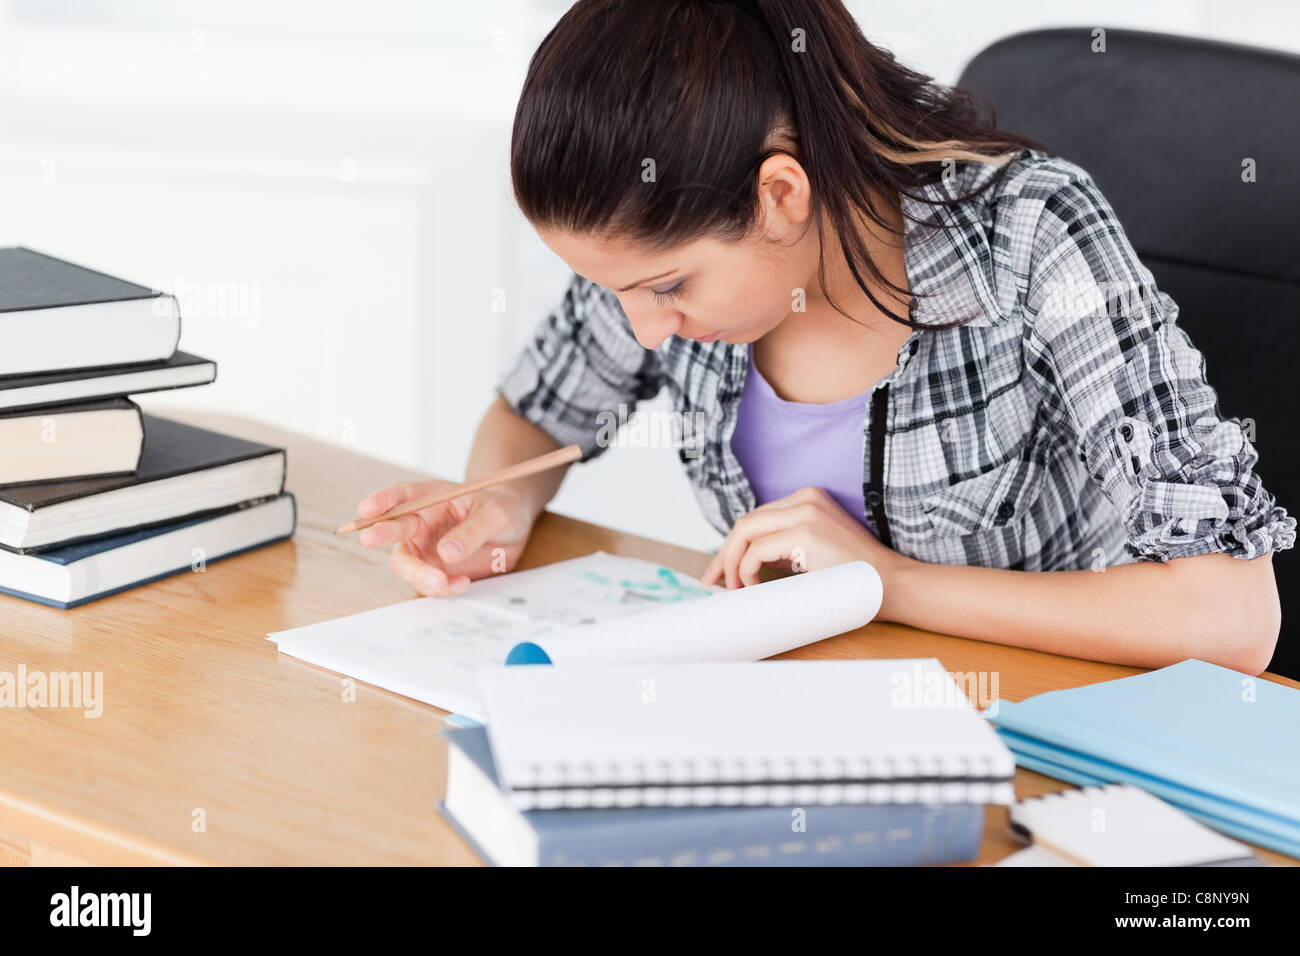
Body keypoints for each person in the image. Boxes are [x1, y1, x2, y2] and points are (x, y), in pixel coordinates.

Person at [353, 0, 1292, 673]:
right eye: (613, 289)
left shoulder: (1031, 236)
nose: (643, 325)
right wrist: (499, 515)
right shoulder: (664, 244)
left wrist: (884, 582)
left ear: (779, 195)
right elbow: (537, 414)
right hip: (793, 712)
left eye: (667, 287)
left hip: (1043, 741)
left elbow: (1230, 616)